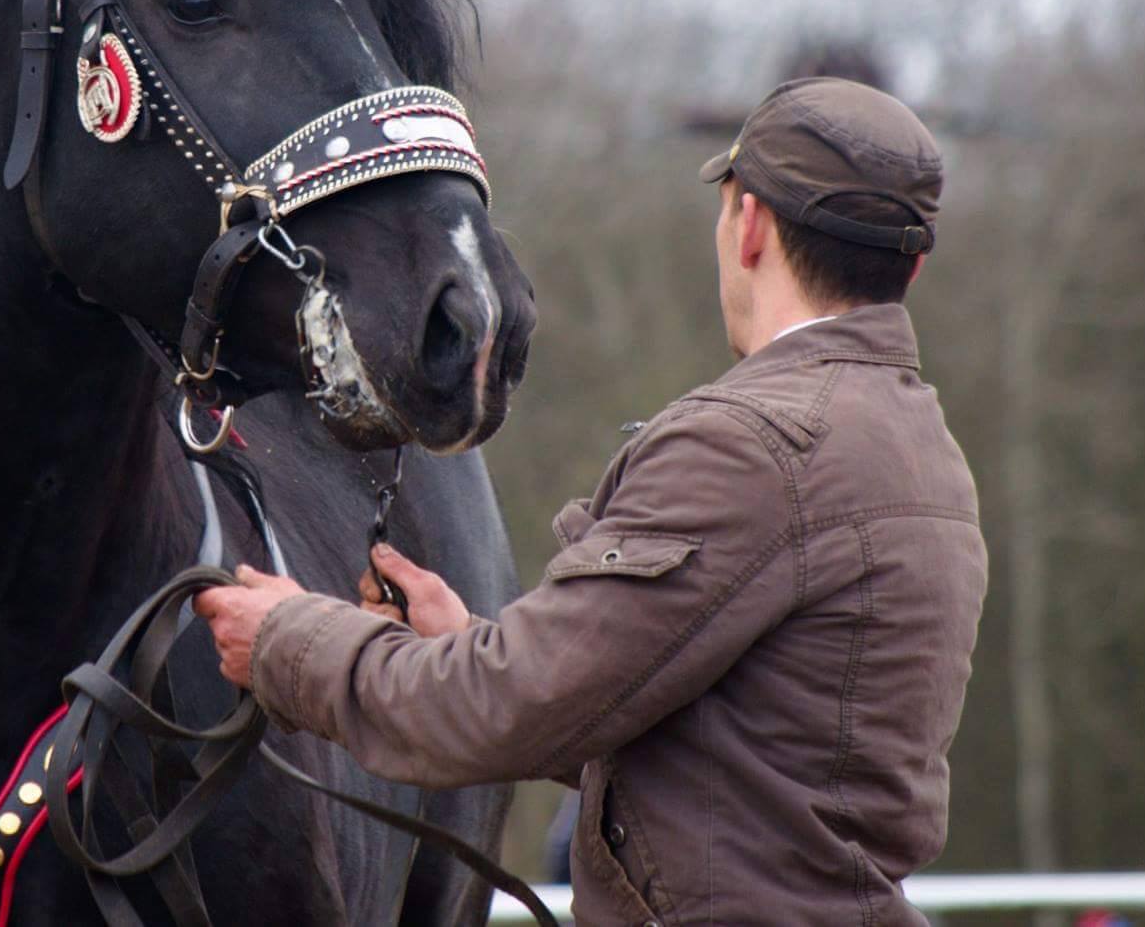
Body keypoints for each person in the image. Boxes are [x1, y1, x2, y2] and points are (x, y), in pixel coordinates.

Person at [197, 77, 989, 926]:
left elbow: (512, 708)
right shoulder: (923, 450)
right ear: (911, 260)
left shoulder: (751, 448)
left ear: (749, 223)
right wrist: (463, 644)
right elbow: (749, 771)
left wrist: (288, 641)